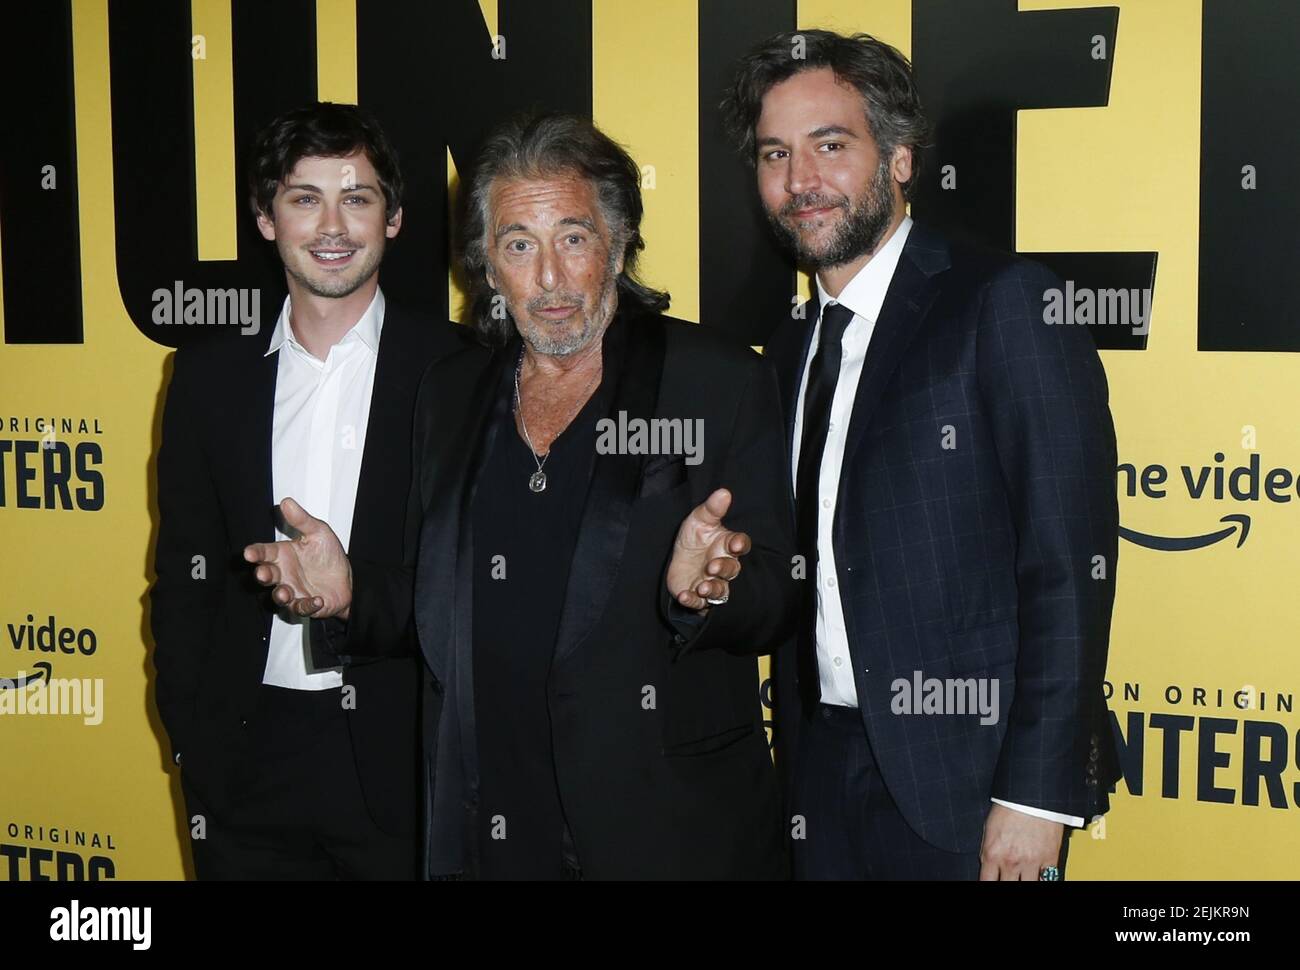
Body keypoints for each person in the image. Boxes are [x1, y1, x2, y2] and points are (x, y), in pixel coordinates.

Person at [243, 112, 800, 879]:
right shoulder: (452, 391)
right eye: (518, 246)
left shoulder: (716, 379)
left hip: (659, 827)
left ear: (617, 241)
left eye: (572, 238)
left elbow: (777, 592)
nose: (549, 279)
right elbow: (435, 604)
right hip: (489, 824)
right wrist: (350, 594)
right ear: (487, 263)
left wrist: (710, 591)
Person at [722, 29, 1122, 880]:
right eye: (774, 154)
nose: (801, 181)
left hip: (972, 789)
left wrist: (1035, 798)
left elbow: (1068, 565)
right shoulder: (791, 347)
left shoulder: (1005, 305)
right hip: (818, 773)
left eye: (831, 146)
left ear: (900, 159)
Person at [149, 102, 465, 879]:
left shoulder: (459, 371)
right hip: (243, 759)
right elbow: (181, 573)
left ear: (392, 219)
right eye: (304, 197)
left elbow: (477, 577)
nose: (333, 225)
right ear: (265, 219)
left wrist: (357, 590)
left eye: (357, 197)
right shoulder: (207, 377)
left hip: (402, 757)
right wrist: (190, 735)